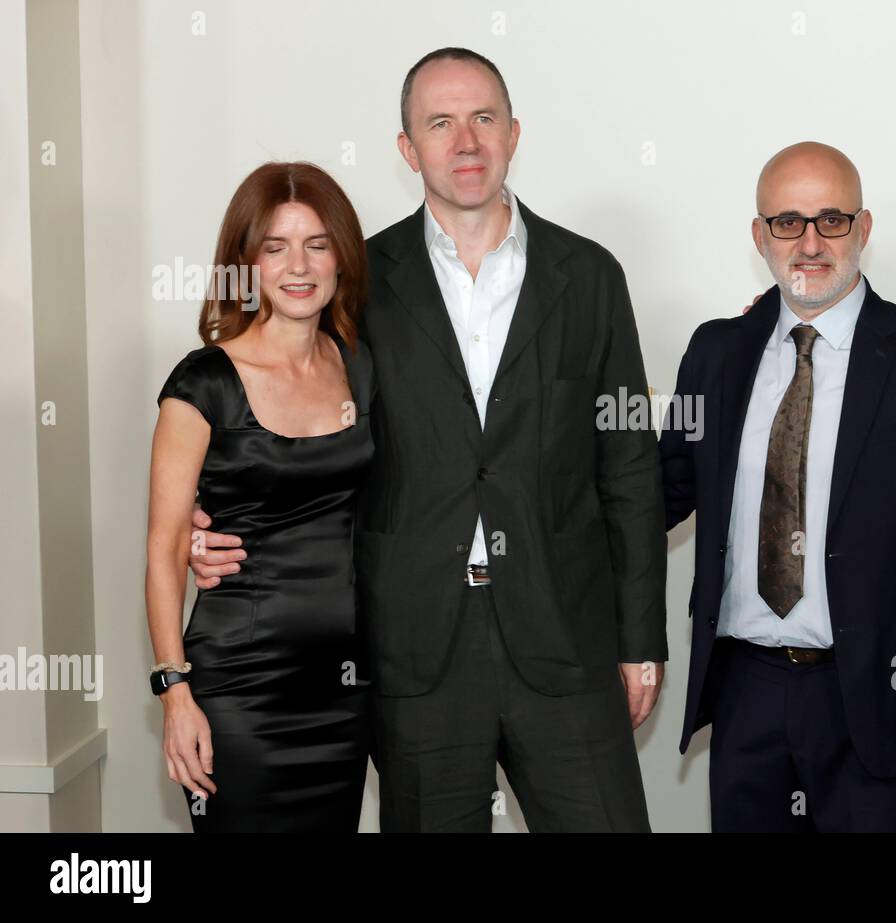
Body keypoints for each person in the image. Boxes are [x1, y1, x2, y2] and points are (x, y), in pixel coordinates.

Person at [187, 48, 667, 832]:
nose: (465, 141)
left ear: (514, 133)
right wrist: (219, 527)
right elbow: (297, 431)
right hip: (415, 653)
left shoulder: (591, 276)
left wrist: (642, 640)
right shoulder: (357, 282)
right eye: (439, 124)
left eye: (482, 119)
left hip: (567, 640)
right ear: (408, 149)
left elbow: (630, 471)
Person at [659, 142, 896, 831]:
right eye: (789, 222)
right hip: (746, 692)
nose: (812, 242)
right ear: (760, 236)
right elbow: (656, 494)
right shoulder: (718, 352)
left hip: (874, 702)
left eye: (833, 219)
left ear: (865, 228)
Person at [146, 161, 373, 832]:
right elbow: (163, 545)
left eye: (316, 244)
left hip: (345, 689)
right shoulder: (203, 382)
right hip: (238, 690)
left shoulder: (359, 363)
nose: (297, 265)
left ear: (341, 257)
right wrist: (174, 691)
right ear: (246, 261)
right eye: (275, 246)